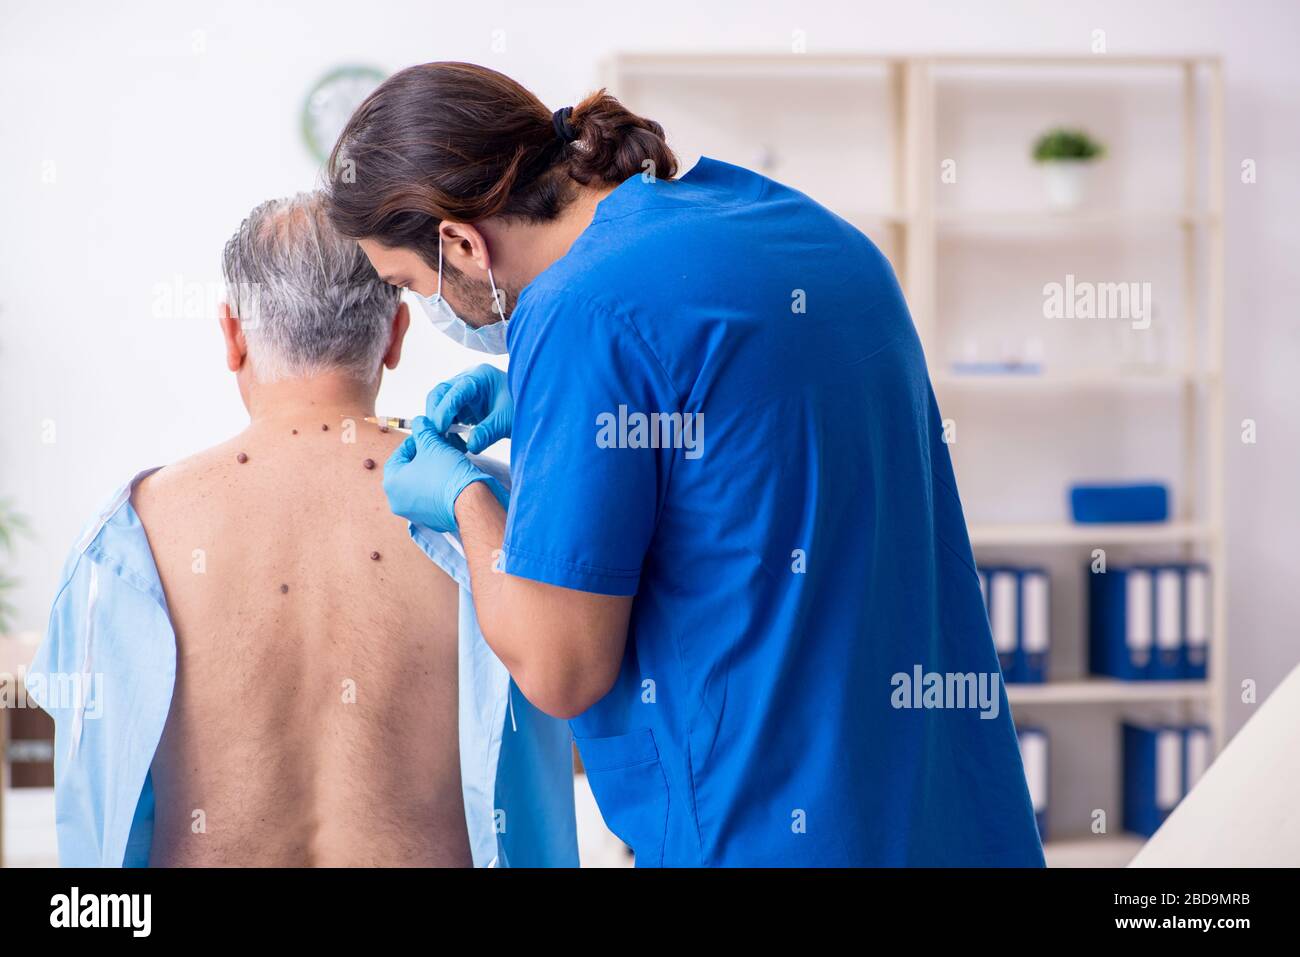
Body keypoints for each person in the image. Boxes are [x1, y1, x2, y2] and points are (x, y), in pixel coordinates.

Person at [324, 62, 1045, 866]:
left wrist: (462, 499)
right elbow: (750, 429)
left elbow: (563, 667)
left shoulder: (579, 308)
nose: (425, 310)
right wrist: (547, 411)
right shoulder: (800, 227)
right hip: (950, 821)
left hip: (766, 828)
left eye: (409, 283)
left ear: (460, 240)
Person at [26, 192, 576, 867]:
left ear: (231, 334)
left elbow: (96, 817)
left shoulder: (127, 539)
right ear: (397, 335)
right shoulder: (489, 510)